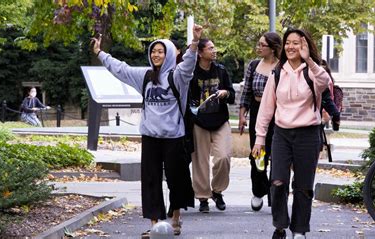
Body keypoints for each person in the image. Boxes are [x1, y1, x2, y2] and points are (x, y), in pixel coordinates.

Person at [91, 25, 203, 237]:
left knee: (176, 179)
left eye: (161, 51)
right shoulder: (144, 75)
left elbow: (188, 64)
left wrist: (195, 43)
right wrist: (100, 53)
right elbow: (120, 69)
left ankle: (176, 218)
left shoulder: (178, 76)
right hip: (150, 136)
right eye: (153, 51)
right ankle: (154, 224)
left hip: (174, 137)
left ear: (168, 54)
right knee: (150, 180)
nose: (156, 54)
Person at [252, 28, 330, 239]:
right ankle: (280, 226)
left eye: (296, 43)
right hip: (282, 135)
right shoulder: (277, 73)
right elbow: (266, 109)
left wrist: (310, 62)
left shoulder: (312, 71)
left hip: (308, 134)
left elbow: (325, 84)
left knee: (303, 186)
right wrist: (260, 138)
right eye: (288, 42)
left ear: (304, 45)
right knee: (277, 182)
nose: (291, 46)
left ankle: (299, 230)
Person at [189, 38, 235, 213]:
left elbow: (231, 94)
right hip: (199, 122)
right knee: (200, 162)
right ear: (200, 53)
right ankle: (202, 197)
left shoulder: (221, 71)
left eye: (214, 47)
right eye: (210, 48)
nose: (214, 51)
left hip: (220, 120)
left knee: (223, 156)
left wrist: (225, 92)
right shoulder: (192, 72)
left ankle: (217, 191)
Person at [239, 32, 281, 211]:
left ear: (272, 48)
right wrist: (242, 115)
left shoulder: (282, 66)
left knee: (277, 154)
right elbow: (246, 91)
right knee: (258, 154)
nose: (258, 47)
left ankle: (275, 193)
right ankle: (259, 190)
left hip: (278, 114)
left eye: (262, 45)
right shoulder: (254, 65)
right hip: (257, 112)